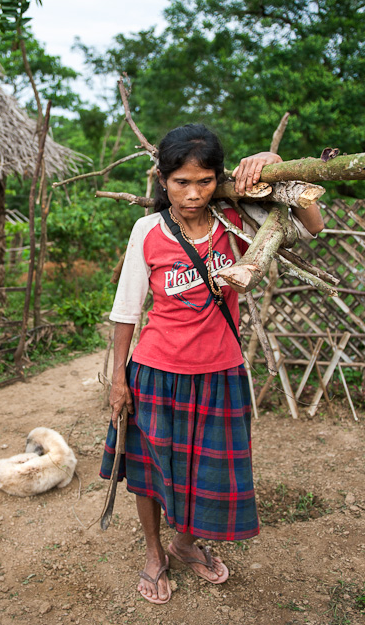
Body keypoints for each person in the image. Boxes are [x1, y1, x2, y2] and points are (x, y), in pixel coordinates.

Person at [99, 123, 324, 605]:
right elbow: (126, 310)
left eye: (204, 181)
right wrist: (118, 378)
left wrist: (269, 160)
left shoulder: (237, 221)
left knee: (208, 470)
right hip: (155, 372)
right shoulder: (148, 230)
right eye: (181, 182)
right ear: (162, 179)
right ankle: (155, 552)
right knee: (152, 470)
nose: (193, 193)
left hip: (220, 372)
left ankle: (185, 542)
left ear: (219, 178)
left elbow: (311, 224)